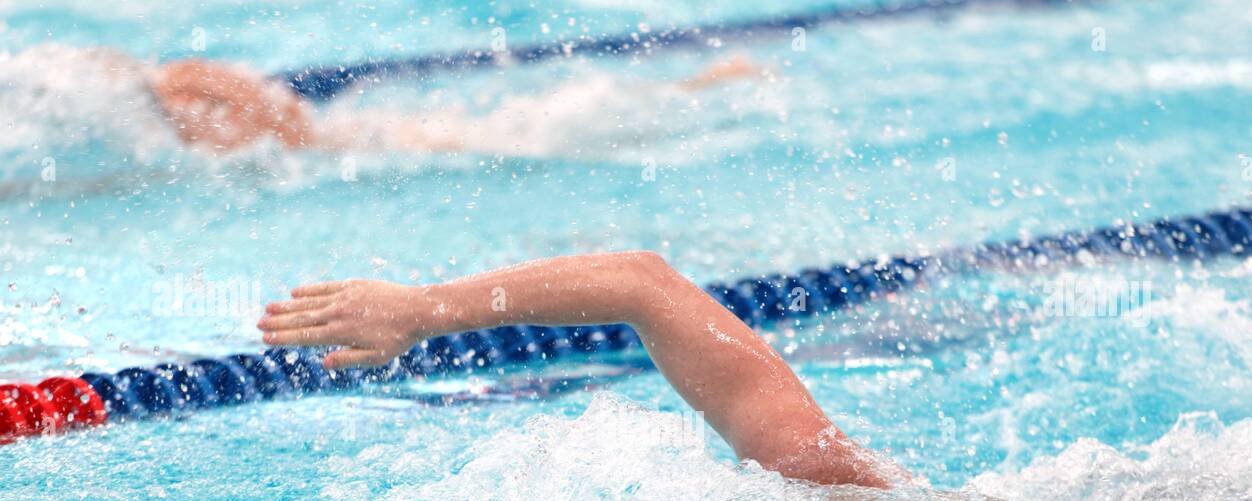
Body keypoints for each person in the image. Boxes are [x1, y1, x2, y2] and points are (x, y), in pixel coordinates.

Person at [259, 251, 908, 489]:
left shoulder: (826, 496)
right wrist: (421, 308)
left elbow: (639, 282)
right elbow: (641, 282)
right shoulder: (819, 475)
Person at [0, 44, 766, 157]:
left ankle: (695, 88)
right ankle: (693, 87)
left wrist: (283, 133)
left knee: (470, 141)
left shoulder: (167, 94)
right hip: (197, 107)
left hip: (285, 129)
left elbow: (168, 76)